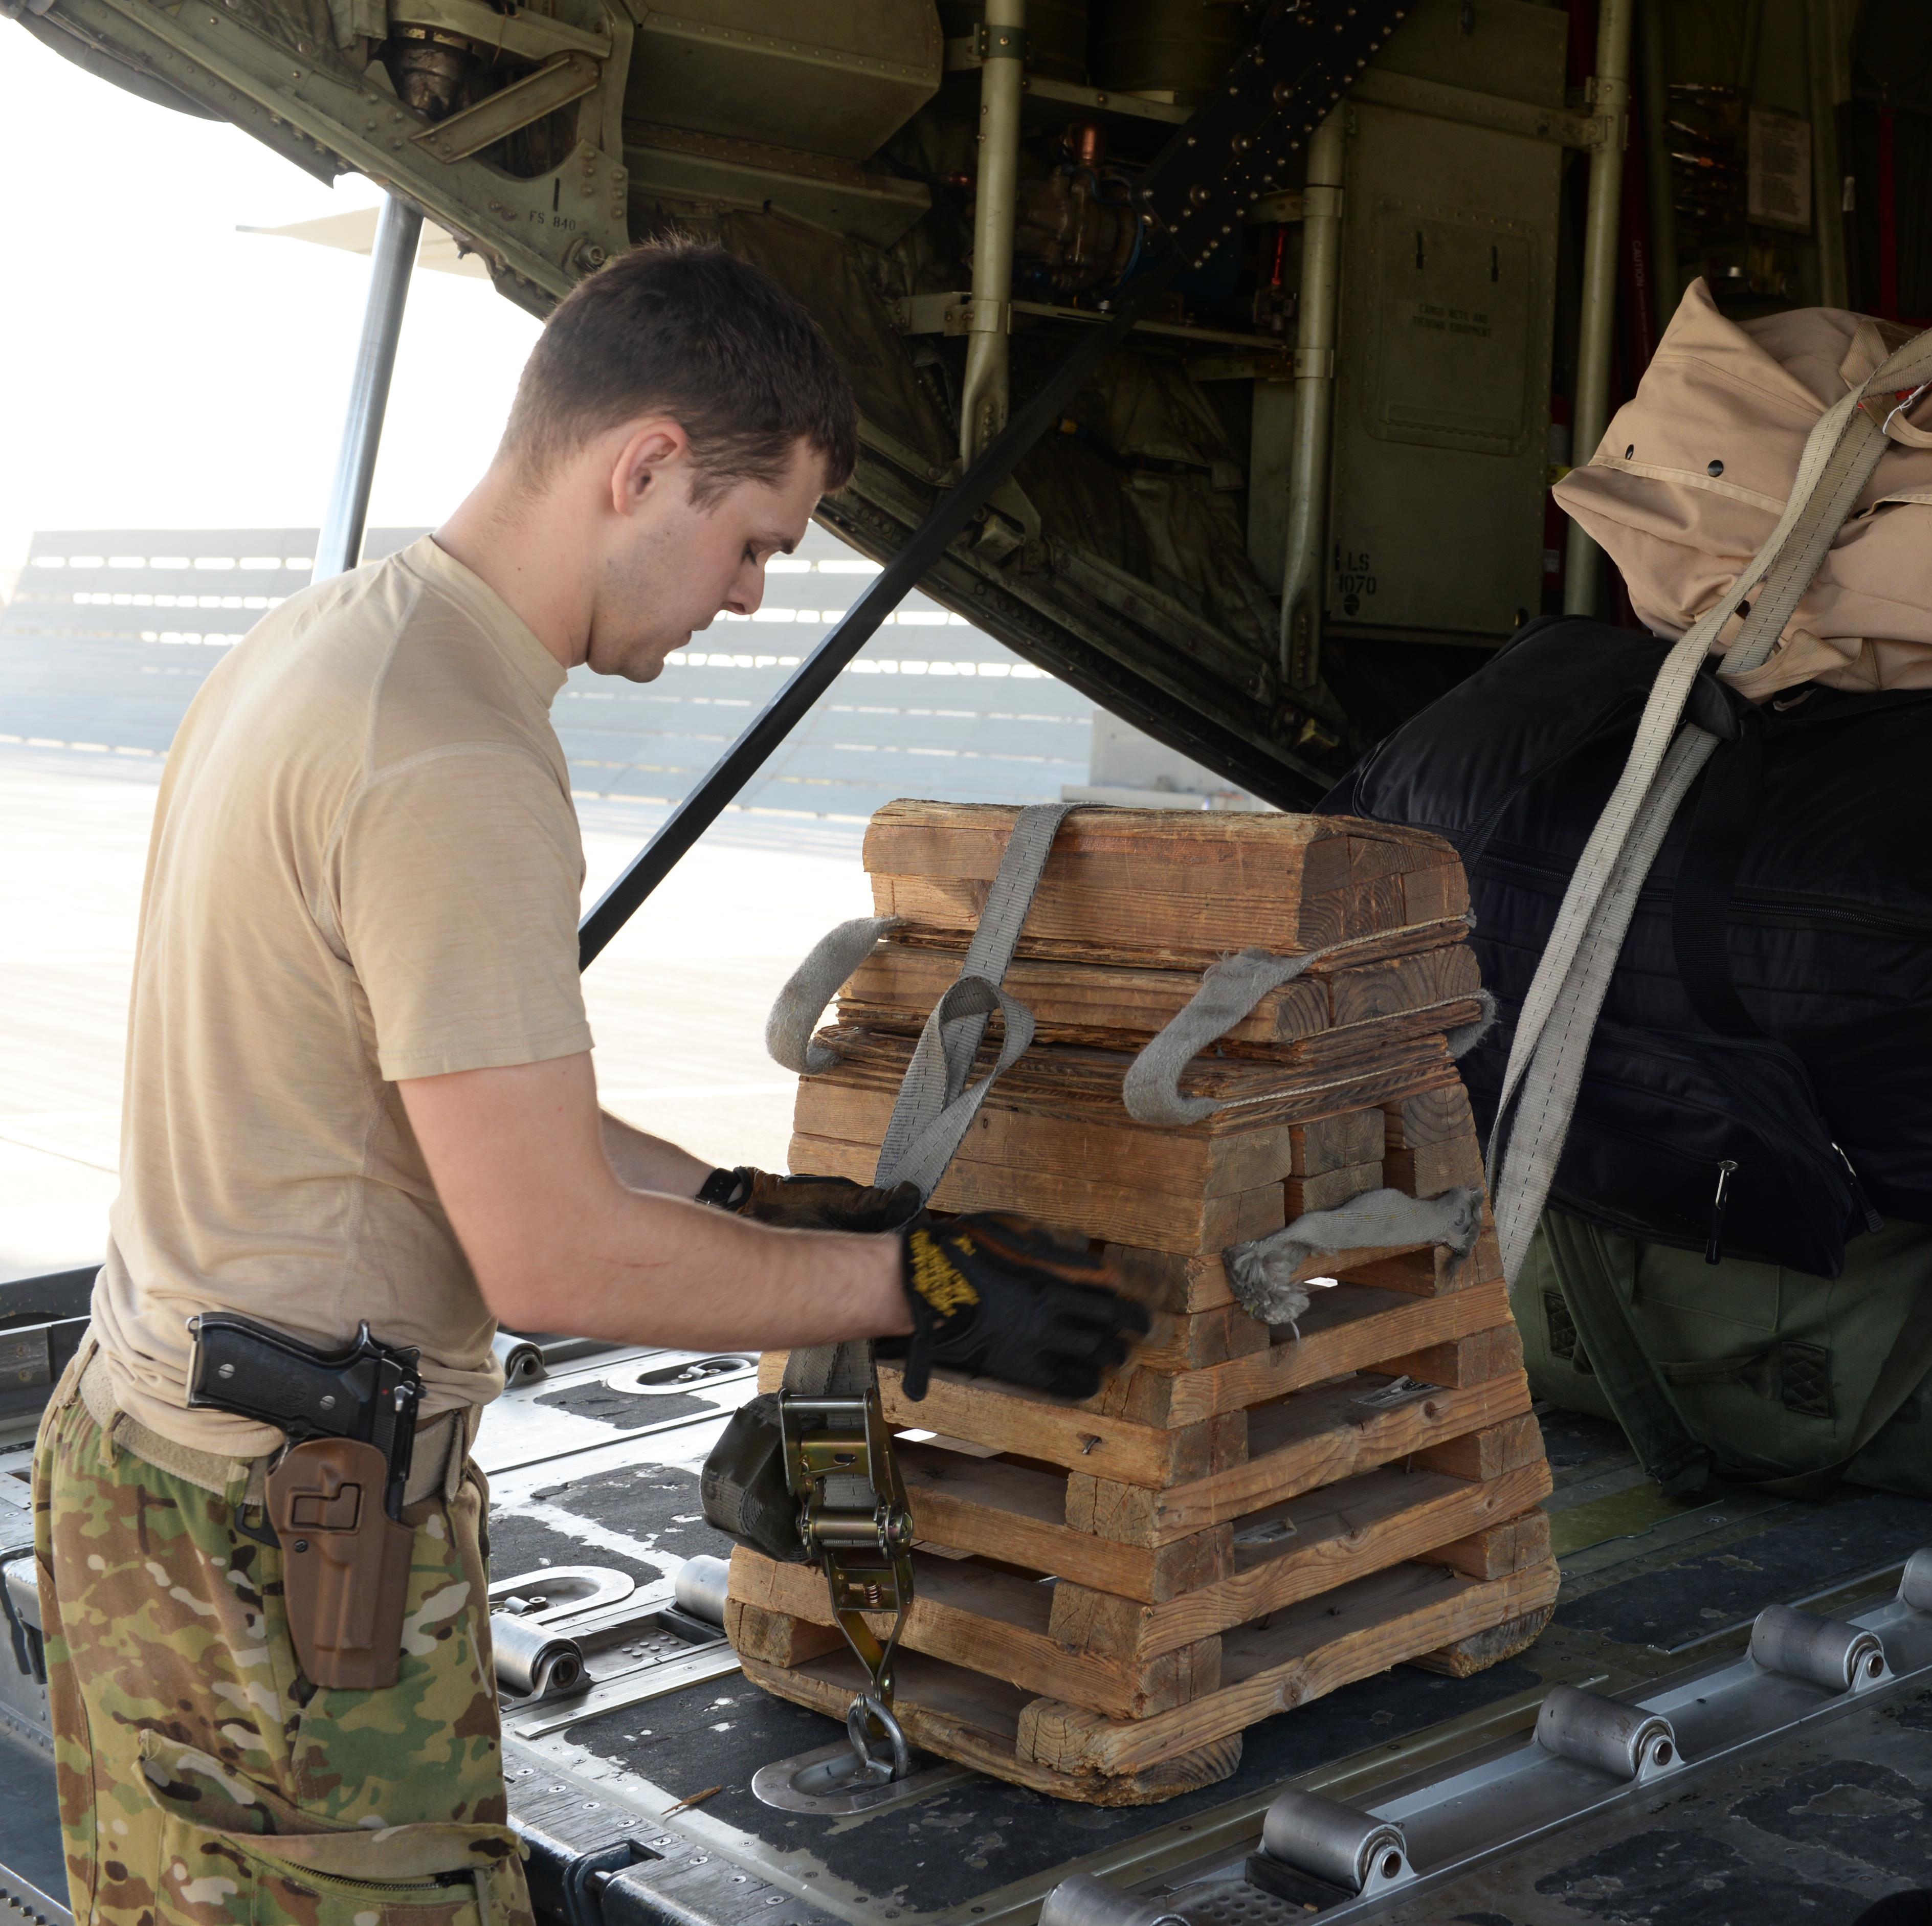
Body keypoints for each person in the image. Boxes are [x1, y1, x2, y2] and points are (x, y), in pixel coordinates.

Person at [31, 241, 1145, 1926]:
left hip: (164, 1471)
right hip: (280, 1549)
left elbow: (432, 1098)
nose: (754, 595)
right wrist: (920, 1290)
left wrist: (741, 1202)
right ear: (641, 468)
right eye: (753, 539)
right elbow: (547, 1256)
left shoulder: (342, 646)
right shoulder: (454, 757)